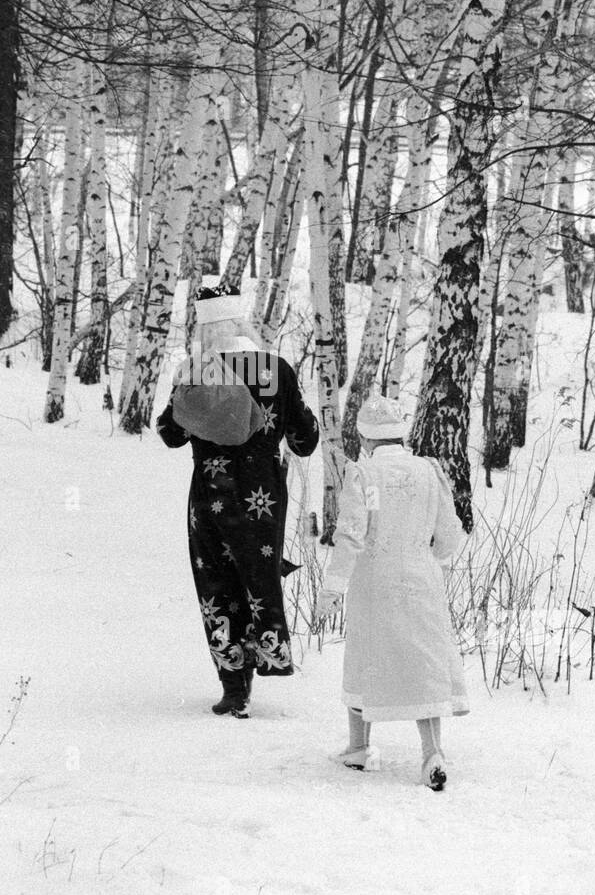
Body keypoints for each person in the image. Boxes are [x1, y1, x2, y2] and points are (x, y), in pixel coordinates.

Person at [157, 279, 319, 717]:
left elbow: (170, 435)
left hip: (210, 495)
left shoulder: (194, 370)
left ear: (204, 326)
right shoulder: (277, 368)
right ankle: (266, 651)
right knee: (258, 574)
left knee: (216, 583)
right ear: (240, 318)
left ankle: (233, 684)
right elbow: (305, 440)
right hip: (262, 494)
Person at [316, 394, 468, 789]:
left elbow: (351, 534)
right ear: (401, 435)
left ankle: (358, 747)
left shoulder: (364, 476)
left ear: (366, 439)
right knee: (425, 661)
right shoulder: (429, 470)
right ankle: (432, 752)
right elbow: (449, 533)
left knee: (365, 657)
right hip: (421, 579)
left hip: (374, 582)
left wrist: (332, 588)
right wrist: (436, 555)